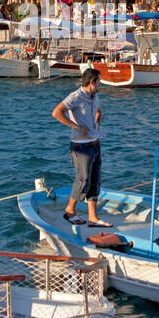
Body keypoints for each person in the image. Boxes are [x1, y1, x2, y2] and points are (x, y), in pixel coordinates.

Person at [51, 68, 110, 228]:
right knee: (83, 180)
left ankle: (93, 217)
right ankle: (70, 210)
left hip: (95, 143)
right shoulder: (75, 96)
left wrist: (97, 126)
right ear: (92, 81)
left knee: (95, 181)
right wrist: (77, 127)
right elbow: (56, 113)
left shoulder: (95, 96)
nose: (100, 84)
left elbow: (98, 112)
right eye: (99, 81)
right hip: (80, 146)